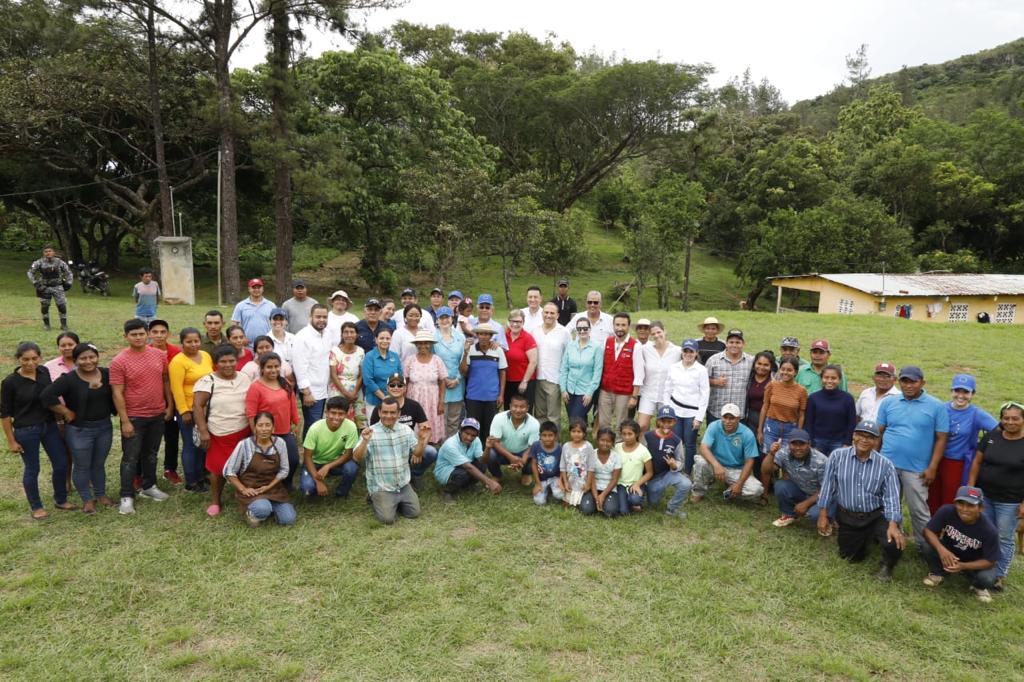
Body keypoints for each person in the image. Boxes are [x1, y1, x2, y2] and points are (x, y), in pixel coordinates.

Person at [817, 420, 906, 582]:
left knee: (893, 541)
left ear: (876, 441)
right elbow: (828, 487)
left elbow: (892, 497)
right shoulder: (837, 456)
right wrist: (823, 515)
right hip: (848, 515)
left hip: (876, 515)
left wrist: (893, 525)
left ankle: (887, 566)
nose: (865, 440)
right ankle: (865, 539)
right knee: (850, 557)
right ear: (854, 436)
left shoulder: (886, 465)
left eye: (870, 437)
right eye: (861, 435)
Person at [876, 365, 949, 548]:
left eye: (913, 382)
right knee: (889, 506)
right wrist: (875, 460)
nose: (908, 385)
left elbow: (941, 439)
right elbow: (879, 432)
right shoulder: (888, 402)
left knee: (918, 510)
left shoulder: (936, 406)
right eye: (904, 381)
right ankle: (892, 541)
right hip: (887, 465)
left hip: (917, 469)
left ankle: (924, 546)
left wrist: (932, 467)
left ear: (922, 383)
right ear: (898, 381)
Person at [40, 342, 116, 515]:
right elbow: (46, 395)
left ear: (97, 357)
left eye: (92, 357)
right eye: (83, 358)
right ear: (75, 360)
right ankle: (87, 500)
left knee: (98, 464)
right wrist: (65, 411)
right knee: (82, 466)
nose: (88, 361)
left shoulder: (106, 374)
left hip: (104, 427)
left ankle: (101, 495)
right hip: (79, 430)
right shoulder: (69, 379)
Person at [2, 342, 72, 519]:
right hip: (26, 430)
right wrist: (11, 440)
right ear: (18, 359)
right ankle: (36, 506)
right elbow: (5, 414)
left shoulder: (43, 372)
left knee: (61, 462)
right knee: (33, 468)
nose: (30, 363)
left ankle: (61, 499)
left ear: (40, 358)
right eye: (25, 359)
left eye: (34, 358)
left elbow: (50, 398)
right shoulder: (10, 382)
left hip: (49, 426)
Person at [110, 319, 173, 515]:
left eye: (141, 334)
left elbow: (165, 380)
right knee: (130, 457)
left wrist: (169, 405)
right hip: (134, 416)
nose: (138, 337)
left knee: (151, 454)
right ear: (125, 336)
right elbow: (117, 393)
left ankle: (149, 486)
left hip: (157, 413)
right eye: (133, 334)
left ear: (147, 334)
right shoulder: (119, 361)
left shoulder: (159, 355)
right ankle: (126, 496)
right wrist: (125, 421)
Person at [967, 401, 1024, 592]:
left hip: (1010, 500)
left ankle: (999, 575)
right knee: (983, 532)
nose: (1010, 422)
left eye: (1015, 418)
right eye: (1006, 418)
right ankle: (979, 567)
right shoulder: (992, 436)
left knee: (1004, 538)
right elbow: (977, 462)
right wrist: (971, 487)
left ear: (1023, 420)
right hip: (985, 496)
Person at [192, 345, 253, 517]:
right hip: (219, 433)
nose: (228, 365)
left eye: (231, 361)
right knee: (218, 469)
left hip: (243, 432)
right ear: (215, 363)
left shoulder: (245, 377)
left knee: (245, 467)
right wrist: (203, 431)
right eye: (223, 362)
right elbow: (197, 406)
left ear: (237, 360)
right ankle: (216, 501)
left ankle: (242, 494)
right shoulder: (208, 381)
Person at [353, 398, 431, 524]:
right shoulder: (370, 432)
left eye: (392, 412)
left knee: (414, 513)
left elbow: (417, 453)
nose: (388, 416)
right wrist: (364, 441)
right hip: (381, 486)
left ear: (398, 414)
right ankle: (374, 496)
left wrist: (422, 441)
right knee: (387, 519)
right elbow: (357, 458)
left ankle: (393, 502)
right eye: (385, 412)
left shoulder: (406, 430)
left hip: (403, 484)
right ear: (379, 412)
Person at [930, 374, 997, 513]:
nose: (960, 395)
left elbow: (998, 429)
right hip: (935, 460)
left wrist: (982, 447)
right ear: (951, 391)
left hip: (957, 463)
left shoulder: (976, 414)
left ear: (973, 394)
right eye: (957, 391)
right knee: (932, 497)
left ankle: (948, 530)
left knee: (950, 499)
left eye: (966, 392)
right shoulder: (940, 408)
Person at [921, 486, 999, 602]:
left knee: (987, 579)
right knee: (927, 546)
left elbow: (990, 561)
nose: (964, 509)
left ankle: (978, 586)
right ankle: (938, 573)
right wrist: (941, 550)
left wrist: (963, 566)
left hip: (974, 561)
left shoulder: (989, 530)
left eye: (970, 505)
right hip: (950, 553)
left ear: (981, 508)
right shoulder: (947, 511)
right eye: (960, 504)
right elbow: (928, 531)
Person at [223, 412, 297, 527]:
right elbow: (228, 471)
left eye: (268, 425)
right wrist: (243, 489)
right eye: (260, 425)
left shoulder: (280, 443)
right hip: (252, 490)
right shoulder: (244, 445)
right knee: (262, 509)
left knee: (289, 519)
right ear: (255, 428)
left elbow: (284, 470)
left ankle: (267, 507)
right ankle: (255, 511)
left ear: (273, 428)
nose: (264, 429)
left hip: (273, 489)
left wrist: (269, 486)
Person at [369, 374, 439, 488]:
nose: (396, 387)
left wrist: (419, 449)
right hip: (386, 446)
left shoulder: (414, 406)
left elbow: (427, 430)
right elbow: (372, 433)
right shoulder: (380, 407)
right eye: (392, 385)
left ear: (405, 388)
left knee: (431, 452)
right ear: (387, 388)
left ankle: (415, 474)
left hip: (408, 444)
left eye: (400, 385)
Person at [245, 352, 301, 488]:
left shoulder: (285, 383)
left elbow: (292, 404)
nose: (273, 370)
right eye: (269, 367)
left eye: (276, 366)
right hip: (266, 433)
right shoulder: (255, 387)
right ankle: (271, 487)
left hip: (285, 431)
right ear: (262, 369)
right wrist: (256, 434)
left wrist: (296, 422)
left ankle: (286, 484)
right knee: (270, 463)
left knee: (293, 460)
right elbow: (251, 413)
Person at [168, 327, 213, 492]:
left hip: (206, 409)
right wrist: (183, 411)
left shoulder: (206, 356)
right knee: (190, 444)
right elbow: (176, 389)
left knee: (203, 443)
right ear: (182, 343)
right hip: (189, 410)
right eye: (189, 341)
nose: (193, 344)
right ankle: (191, 480)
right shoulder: (177, 362)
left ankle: (202, 475)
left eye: (196, 341)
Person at [692, 403, 764, 503]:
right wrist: (716, 465)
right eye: (725, 417)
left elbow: (749, 461)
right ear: (721, 417)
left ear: (738, 418)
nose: (728, 421)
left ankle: (729, 492)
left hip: (735, 469)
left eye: (732, 418)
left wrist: (739, 483)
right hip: (715, 465)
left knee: (757, 489)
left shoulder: (747, 434)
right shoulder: (714, 426)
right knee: (700, 461)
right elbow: (703, 448)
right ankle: (698, 492)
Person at [761, 429, 831, 529]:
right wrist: (771, 454)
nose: (798, 448)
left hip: (822, 497)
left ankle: (831, 518)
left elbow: (826, 490)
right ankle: (789, 514)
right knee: (780, 485)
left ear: (809, 444)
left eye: (802, 444)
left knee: (815, 515)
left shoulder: (821, 461)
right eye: (794, 444)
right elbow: (766, 470)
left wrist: (805, 504)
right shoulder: (784, 452)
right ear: (789, 444)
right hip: (803, 491)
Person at [660, 338, 708, 473]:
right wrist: (667, 409)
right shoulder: (674, 367)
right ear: (681, 352)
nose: (688, 354)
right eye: (685, 351)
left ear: (696, 353)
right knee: (676, 440)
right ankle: (674, 467)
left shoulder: (701, 370)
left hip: (691, 413)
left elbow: (705, 395)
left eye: (691, 351)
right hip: (675, 410)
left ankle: (687, 470)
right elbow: (667, 389)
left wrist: (699, 417)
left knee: (690, 443)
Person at [300, 396, 360, 499]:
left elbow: (348, 454)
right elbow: (307, 457)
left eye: (341, 414)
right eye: (333, 413)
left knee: (352, 468)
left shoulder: (351, 426)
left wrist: (328, 466)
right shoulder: (315, 428)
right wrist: (318, 481)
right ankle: (316, 486)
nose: (336, 417)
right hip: (314, 462)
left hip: (336, 462)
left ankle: (341, 493)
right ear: (326, 413)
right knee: (308, 489)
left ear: (346, 414)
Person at [434, 417, 502, 502]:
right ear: (460, 430)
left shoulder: (476, 440)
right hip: (446, 471)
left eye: (473, 435)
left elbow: (482, 461)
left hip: (464, 466)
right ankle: (446, 492)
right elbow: (468, 467)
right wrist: (489, 482)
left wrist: (487, 448)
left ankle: (468, 486)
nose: (469, 438)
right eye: (466, 433)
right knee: (463, 474)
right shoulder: (450, 444)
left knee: (482, 466)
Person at [147, 319, 182, 485]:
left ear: (168, 334)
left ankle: (170, 469)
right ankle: (143, 473)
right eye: (155, 332)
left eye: (163, 332)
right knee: (148, 440)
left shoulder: (175, 352)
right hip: (150, 402)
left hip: (172, 402)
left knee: (172, 436)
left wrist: (172, 405)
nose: (159, 336)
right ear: (149, 334)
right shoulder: (144, 352)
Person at [597, 312, 643, 433]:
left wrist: (634, 396)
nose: (620, 328)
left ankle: (619, 447)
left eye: (623, 325)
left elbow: (639, 374)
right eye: (617, 325)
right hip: (606, 390)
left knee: (621, 424)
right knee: (603, 422)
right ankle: (605, 446)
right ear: (613, 325)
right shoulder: (608, 342)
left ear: (628, 326)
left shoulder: (635, 346)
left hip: (624, 392)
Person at [643, 407, 692, 519]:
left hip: (666, 474)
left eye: (669, 421)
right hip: (648, 476)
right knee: (653, 504)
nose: (666, 424)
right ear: (657, 421)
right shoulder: (648, 436)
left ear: (674, 421)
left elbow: (680, 461)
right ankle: (647, 490)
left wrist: (674, 465)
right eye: (663, 421)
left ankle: (672, 508)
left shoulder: (676, 440)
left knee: (686, 484)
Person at [461, 327, 507, 444]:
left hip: (492, 396)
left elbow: (502, 372)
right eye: (481, 334)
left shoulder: (498, 350)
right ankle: (473, 453)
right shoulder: (470, 349)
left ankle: (486, 455)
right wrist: (465, 353)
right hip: (473, 396)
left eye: (487, 334)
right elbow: (463, 371)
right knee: (473, 428)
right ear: (477, 335)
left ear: (491, 336)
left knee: (490, 428)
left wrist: (501, 395)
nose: (483, 336)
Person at [292, 304, 333, 435]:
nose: (322, 320)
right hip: (311, 390)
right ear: (310, 317)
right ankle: (309, 454)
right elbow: (299, 366)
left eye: (324, 317)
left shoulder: (327, 334)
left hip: (325, 387)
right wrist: (306, 392)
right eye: (318, 317)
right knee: (313, 425)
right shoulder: (302, 337)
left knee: (320, 423)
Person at [636, 322, 681, 432]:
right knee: (642, 425)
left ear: (664, 331)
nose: (656, 335)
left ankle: (660, 447)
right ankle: (644, 447)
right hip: (648, 393)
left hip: (667, 395)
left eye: (659, 332)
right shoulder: (645, 349)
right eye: (653, 334)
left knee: (664, 427)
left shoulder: (677, 351)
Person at [485, 393, 540, 484]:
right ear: (510, 406)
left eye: (522, 407)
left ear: (527, 408)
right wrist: (511, 457)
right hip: (503, 452)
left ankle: (526, 473)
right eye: (515, 406)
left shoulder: (534, 423)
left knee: (536, 453)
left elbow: (532, 446)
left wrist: (522, 461)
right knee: (490, 453)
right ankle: (496, 475)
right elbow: (495, 442)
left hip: (523, 452)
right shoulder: (498, 418)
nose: (518, 410)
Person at [757, 356, 807, 455]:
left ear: (795, 372)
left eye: (789, 370)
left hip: (790, 429)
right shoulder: (772, 385)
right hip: (771, 427)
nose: (785, 372)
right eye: (783, 369)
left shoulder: (801, 391)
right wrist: (759, 430)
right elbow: (765, 407)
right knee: (768, 457)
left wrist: (798, 433)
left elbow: (801, 414)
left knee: (787, 459)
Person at [403, 329, 447, 442]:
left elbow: (442, 381)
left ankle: (430, 444)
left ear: (431, 344)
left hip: (432, 399)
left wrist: (441, 402)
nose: (423, 345)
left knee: (431, 420)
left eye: (426, 343)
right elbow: (405, 382)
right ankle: (414, 445)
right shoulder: (410, 360)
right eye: (420, 343)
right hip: (414, 398)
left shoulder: (437, 360)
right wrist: (403, 401)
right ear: (416, 344)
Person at [804, 364, 857, 456]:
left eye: (833, 378)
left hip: (839, 442)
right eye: (826, 377)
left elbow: (851, 422)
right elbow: (808, 422)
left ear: (839, 380)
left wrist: (847, 443)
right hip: (818, 441)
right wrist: (811, 443)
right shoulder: (813, 398)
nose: (829, 381)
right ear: (821, 379)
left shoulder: (848, 399)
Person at [532, 302, 570, 429]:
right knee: (540, 414)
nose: (548, 315)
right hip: (537, 377)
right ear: (542, 314)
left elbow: (568, 356)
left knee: (553, 415)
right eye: (546, 312)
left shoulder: (564, 332)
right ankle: (541, 442)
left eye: (552, 313)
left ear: (557, 315)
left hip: (554, 379)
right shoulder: (535, 331)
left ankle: (554, 444)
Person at [559, 318, 603, 425]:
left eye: (585, 328)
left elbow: (597, 373)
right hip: (569, 390)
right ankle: (580, 439)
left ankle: (580, 440)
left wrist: (590, 393)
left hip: (585, 391)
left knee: (575, 419)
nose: (582, 331)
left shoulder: (596, 348)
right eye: (579, 329)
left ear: (589, 329)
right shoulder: (570, 346)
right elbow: (564, 368)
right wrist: (563, 389)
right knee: (573, 419)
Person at [705, 329, 754, 423]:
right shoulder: (713, 360)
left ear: (743, 344)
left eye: (738, 342)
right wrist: (715, 382)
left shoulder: (750, 361)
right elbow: (701, 381)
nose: (734, 345)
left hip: (738, 412)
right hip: (717, 411)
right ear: (726, 343)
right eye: (731, 342)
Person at [433, 307, 466, 439]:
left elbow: (464, 359)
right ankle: (441, 447)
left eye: (447, 317)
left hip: (457, 384)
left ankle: (451, 446)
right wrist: (444, 379)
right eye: (442, 317)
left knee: (454, 420)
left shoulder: (460, 337)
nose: (445, 320)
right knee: (441, 419)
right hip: (440, 384)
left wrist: (457, 379)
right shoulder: (433, 337)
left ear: (452, 318)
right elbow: (432, 360)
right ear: (437, 320)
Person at [325, 321, 365, 428]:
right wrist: (346, 393)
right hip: (338, 390)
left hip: (356, 391)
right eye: (346, 332)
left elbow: (361, 374)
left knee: (357, 423)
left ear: (356, 334)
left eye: (352, 332)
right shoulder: (335, 351)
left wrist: (354, 392)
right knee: (337, 420)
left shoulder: (360, 351)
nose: (349, 335)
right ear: (342, 334)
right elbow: (333, 374)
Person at [580, 428, 624, 517]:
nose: (605, 443)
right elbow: (591, 477)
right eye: (602, 440)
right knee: (586, 510)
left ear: (613, 443)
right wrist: (596, 497)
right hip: (593, 488)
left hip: (609, 489)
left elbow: (614, 480)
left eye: (608, 441)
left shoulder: (616, 457)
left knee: (611, 512)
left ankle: (603, 503)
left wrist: (603, 495)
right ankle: (596, 504)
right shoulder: (591, 454)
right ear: (597, 440)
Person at [27, 246, 73, 330]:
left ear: (54, 252)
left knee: (62, 306)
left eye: (50, 251)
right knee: (45, 306)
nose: (48, 253)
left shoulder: (60, 262)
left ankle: (64, 325)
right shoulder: (39, 262)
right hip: (45, 288)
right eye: (46, 251)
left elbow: (69, 272)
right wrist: (35, 283)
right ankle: (46, 325)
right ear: (43, 253)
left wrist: (69, 283)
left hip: (58, 287)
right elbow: (30, 272)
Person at [362, 327, 402, 418]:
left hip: (393, 401)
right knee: (374, 429)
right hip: (374, 401)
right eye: (381, 338)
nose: (385, 341)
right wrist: (384, 398)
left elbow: (400, 377)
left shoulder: (395, 356)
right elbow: (368, 380)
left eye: (388, 338)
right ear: (376, 340)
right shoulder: (369, 356)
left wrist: (394, 395)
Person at [614, 419, 653, 513]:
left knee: (634, 499)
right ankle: (627, 503)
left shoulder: (643, 451)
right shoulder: (617, 448)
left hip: (636, 483)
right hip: (620, 484)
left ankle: (638, 500)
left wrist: (637, 484)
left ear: (637, 434)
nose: (626, 437)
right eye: (624, 434)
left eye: (630, 434)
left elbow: (649, 473)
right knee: (623, 511)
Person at [503, 309, 538, 409]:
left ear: (523, 322)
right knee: (509, 410)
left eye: (519, 321)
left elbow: (533, 362)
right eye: (513, 321)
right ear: (509, 322)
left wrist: (524, 381)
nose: (515, 324)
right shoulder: (504, 336)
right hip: (507, 381)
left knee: (523, 411)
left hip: (523, 383)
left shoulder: (527, 338)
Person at [231, 278, 275, 346]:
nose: (256, 290)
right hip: (247, 345)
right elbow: (234, 324)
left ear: (263, 289)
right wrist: (241, 338)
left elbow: (276, 323)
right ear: (249, 289)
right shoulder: (241, 305)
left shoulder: (271, 305)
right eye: (253, 287)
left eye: (259, 287)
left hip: (267, 345)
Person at [529, 421, 565, 505]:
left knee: (560, 495)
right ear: (540, 436)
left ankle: (552, 488)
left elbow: (563, 466)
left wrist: (561, 480)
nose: (547, 438)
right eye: (544, 435)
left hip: (555, 478)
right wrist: (537, 483)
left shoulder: (560, 448)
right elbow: (534, 464)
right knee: (539, 502)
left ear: (555, 436)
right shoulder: (536, 446)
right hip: (542, 479)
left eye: (550, 435)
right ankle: (545, 489)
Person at [560, 419, 594, 508]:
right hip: (570, 482)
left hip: (583, 483)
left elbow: (591, 468)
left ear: (584, 433)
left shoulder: (588, 446)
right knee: (566, 504)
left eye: (579, 431)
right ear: (570, 432)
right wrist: (565, 482)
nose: (576, 434)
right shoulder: (566, 446)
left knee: (584, 506)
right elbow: (562, 467)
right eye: (573, 431)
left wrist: (588, 484)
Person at [743, 351, 777, 433]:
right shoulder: (749, 378)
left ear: (771, 366)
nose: (761, 367)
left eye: (766, 365)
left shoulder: (774, 381)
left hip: (768, 419)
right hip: (750, 418)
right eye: (759, 363)